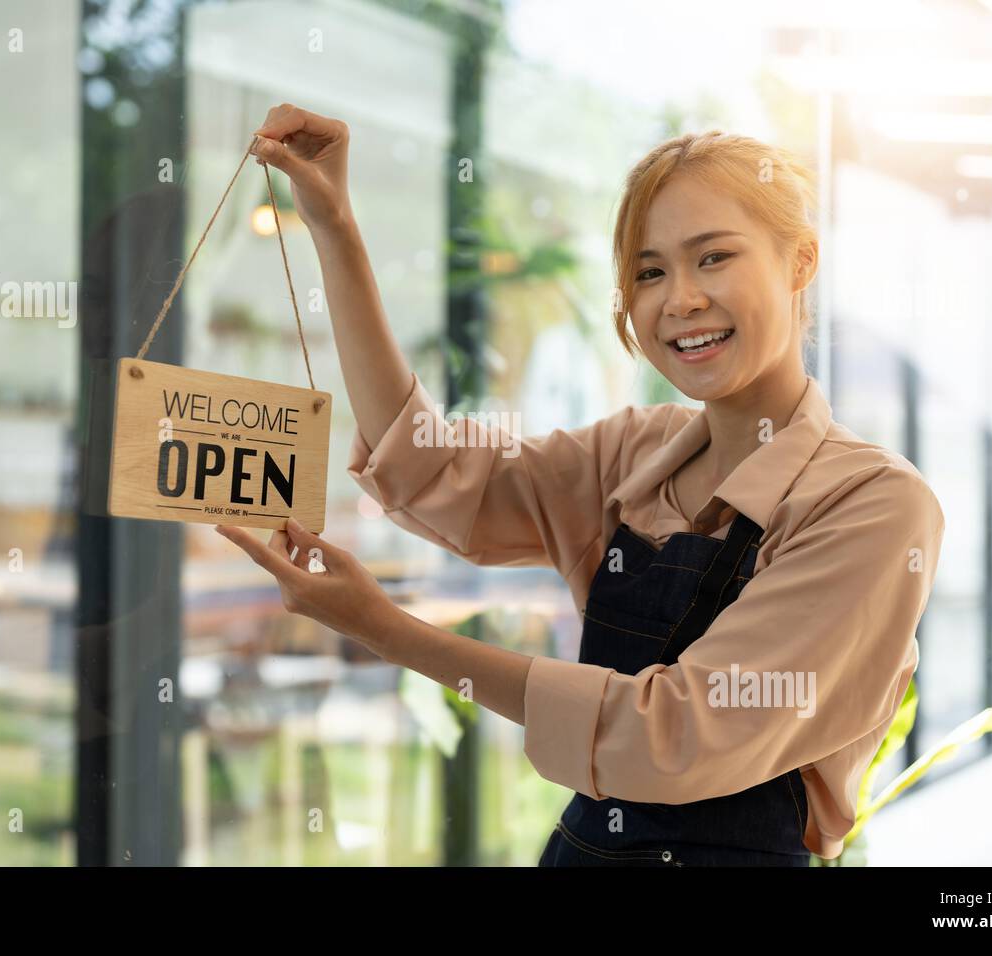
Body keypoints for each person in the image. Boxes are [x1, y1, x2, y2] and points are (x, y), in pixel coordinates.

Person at [216, 103, 945, 866]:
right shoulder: (636, 451)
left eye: (714, 257)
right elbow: (432, 470)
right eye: (649, 271)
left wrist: (388, 631)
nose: (680, 299)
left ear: (800, 262)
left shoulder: (874, 506)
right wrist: (335, 227)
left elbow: (675, 736)